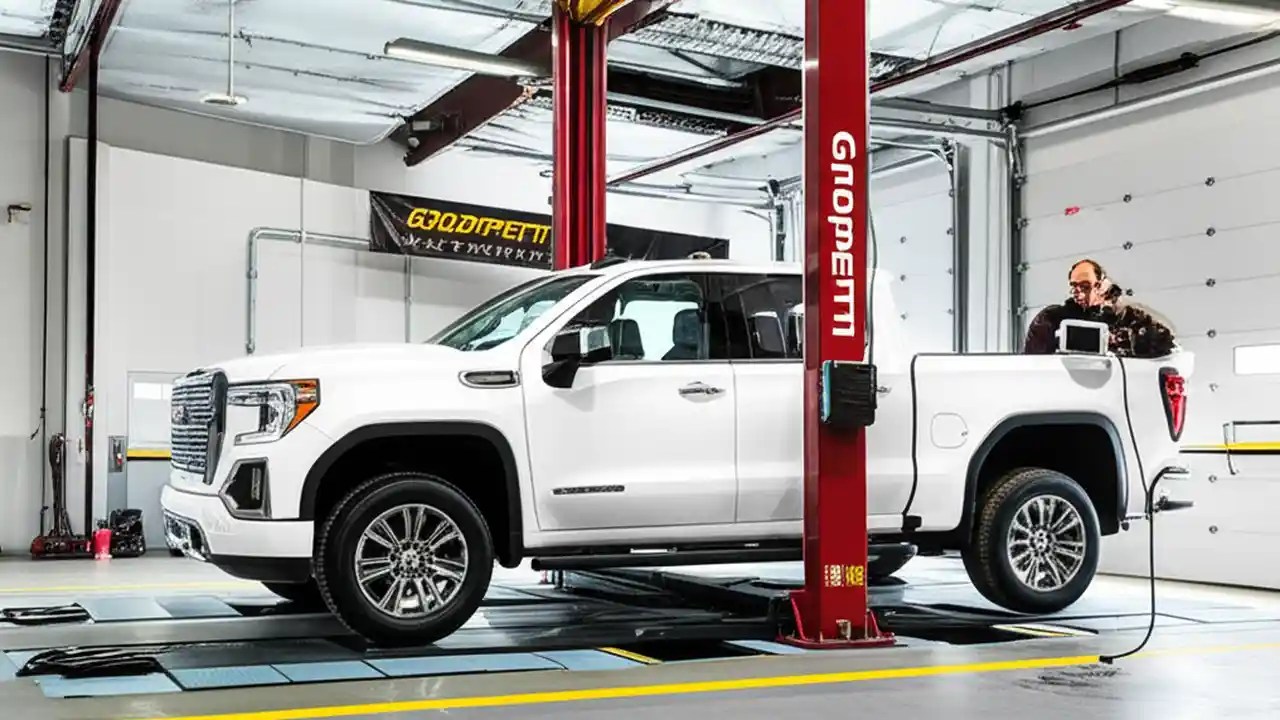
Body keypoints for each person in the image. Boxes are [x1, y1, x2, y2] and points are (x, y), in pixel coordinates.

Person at [1023, 258, 1177, 358]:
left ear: (1101, 285)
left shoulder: (1129, 316)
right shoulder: (1052, 319)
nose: (1079, 294)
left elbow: (1166, 343)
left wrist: (1124, 341)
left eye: (1085, 287)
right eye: (1074, 287)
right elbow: (1033, 361)